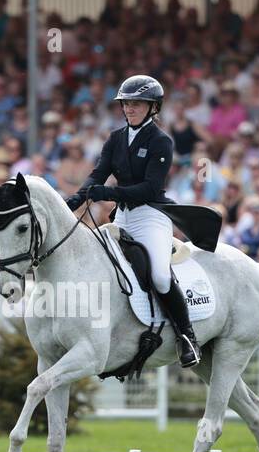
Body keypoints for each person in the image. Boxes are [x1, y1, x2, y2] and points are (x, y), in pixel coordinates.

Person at [65, 75, 214, 367]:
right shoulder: (116, 138)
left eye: (137, 104)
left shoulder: (161, 141)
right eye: (127, 103)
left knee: (158, 275)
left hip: (150, 215)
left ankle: (187, 336)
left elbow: (148, 187)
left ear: (152, 107)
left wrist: (107, 192)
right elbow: (97, 175)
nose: (130, 108)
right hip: (123, 215)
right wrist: (73, 201)